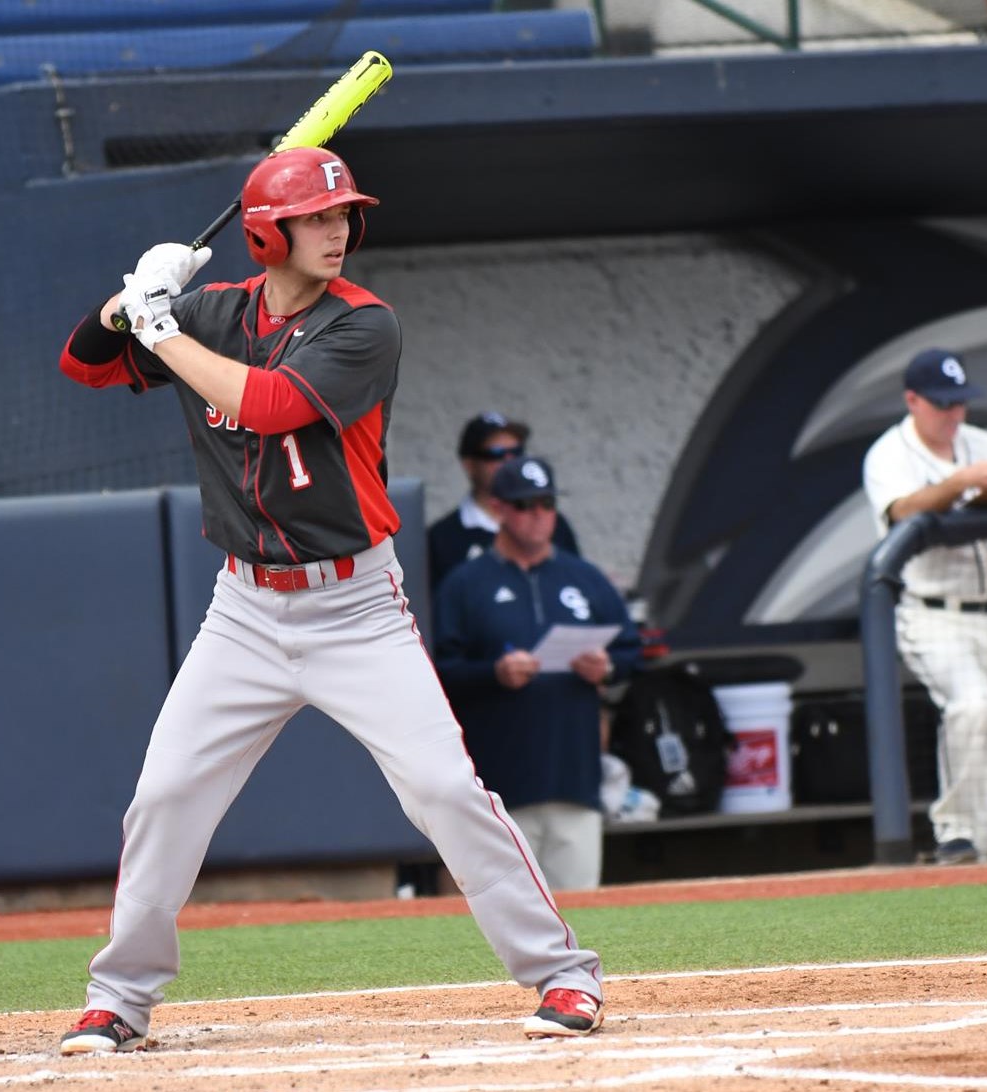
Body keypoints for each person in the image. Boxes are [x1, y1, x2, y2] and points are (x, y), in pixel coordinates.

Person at [54, 147, 604, 1053]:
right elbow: (85, 365)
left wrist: (160, 329)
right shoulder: (211, 315)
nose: (339, 229)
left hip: (356, 608)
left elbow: (267, 403)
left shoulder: (366, 324)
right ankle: (119, 998)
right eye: (317, 217)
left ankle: (562, 976)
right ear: (268, 232)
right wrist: (129, 299)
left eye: (345, 214)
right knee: (165, 797)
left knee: (443, 790)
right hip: (243, 610)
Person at [433, 455, 641, 890]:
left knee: (583, 911)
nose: (539, 515)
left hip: (575, 780)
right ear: (499, 508)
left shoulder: (584, 577)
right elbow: (439, 672)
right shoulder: (466, 584)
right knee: (510, 913)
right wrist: (494, 673)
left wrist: (606, 667)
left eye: (547, 503)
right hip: (501, 786)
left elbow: (630, 650)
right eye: (525, 504)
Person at [861, 349, 987, 865]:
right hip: (934, 612)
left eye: (960, 403)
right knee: (971, 707)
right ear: (913, 400)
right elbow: (903, 510)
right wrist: (958, 484)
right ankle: (954, 834)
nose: (954, 414)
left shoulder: (983, 443)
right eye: (943, 404)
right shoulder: (889, 453)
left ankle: (978, 855)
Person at [426, 412, 581, 590]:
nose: (510, 460)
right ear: (470, 465)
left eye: (516, 452)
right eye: (496, 454)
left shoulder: (550, 523)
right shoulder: (442, 538)